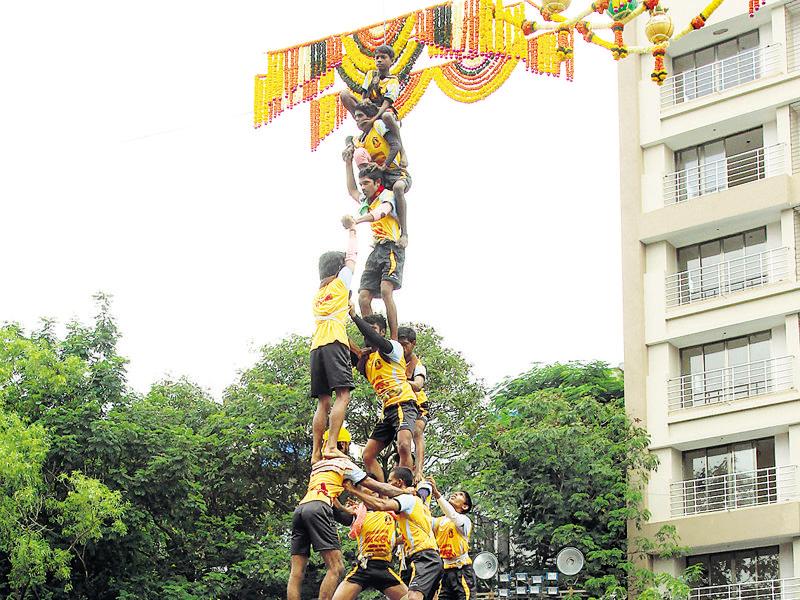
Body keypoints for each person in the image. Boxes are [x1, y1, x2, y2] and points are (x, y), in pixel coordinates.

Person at [287, 428, 411, 600]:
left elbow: (342, 512)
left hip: (302, 507)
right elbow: (380, 488)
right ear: (344, 445)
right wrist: (408, 492)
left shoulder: (318, 464)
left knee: (296, 572)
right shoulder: (345, 464)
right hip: (360, 560)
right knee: (336, 567)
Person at [345, 467, 444, 600]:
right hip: (423, 557)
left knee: (413, 597)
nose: (386, 484)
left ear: (399, 482)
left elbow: (380, 504)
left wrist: (354, 490)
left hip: (424, 556)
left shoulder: (407, 499)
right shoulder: (415, 502)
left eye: (390, 481)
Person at [310, 222, 359, 462]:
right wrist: (352, 230)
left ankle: (316, 452)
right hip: (335, 341)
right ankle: (331, 445)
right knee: (343, 395)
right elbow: (352, 258)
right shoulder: (340, 286)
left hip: (316, 345)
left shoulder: (318, 296)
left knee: (323, 400)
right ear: (337, 271)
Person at [350, 308, 417, 481]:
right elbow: (343, 342)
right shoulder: (366, 361)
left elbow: (376, 340)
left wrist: (355, 316)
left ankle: (404, 489)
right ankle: (382, 493)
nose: (368, 332)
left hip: (403, 402)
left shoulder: (391, 348)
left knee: (403, 445)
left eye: (373, 328)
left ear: (382, 332)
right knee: (367, 455)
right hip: (387, 410)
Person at [343, 159, 404, 341]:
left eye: (366, 183)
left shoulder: (387, 196)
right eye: (362, 183)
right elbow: (352, 190)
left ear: (377, 183)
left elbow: (381, 213)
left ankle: (393, 339)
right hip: (376, 249)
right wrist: (348, 164)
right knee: (363, 297)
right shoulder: (367, 200)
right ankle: (372, 338)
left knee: (386, 290)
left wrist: (356, 220)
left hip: (391, 247)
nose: (363, 187)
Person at [346, 101, 411, 249]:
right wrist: (348, 157)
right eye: (355, 117)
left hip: (395, 173)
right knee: (358, 152)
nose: (357, 120)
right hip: (380, 176)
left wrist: (383, 166)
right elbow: (353, 191)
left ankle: (405, 233)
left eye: (361, 116)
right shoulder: (359, 140)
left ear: (370, 116)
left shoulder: (379, 126)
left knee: (398, 188)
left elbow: (396, 145)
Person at [331, 487, 409, 600]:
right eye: (368, 487)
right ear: (361, 493)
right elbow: (339, 516)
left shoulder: (392, 511)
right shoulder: (358, 514)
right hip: (364, 566)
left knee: (411, 597)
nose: (374, 489)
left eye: (374, 486)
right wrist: (331, 497)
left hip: (384, 568)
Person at [340, 44, 405, 164]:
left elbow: (386, 104)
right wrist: (363, 108)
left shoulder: (393, 81)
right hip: (368, 108)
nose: (379, 60)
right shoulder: (370, 74)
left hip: (382, 110)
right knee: (344, 94)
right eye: (377, 57)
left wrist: (372, 119)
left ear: (391, 60)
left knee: (387, 116)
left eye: (383, 57)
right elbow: (364, 94)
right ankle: (360, 120)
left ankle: (403, 151)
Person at [429, 478, 476, 600]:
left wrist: (437, 494)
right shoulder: (439, 522)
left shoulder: (464, 521)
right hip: (445, 572)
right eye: (456, 492)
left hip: (462, 571)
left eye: (460, 495)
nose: (455, 494)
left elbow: (453, 515)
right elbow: (423, 521)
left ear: (465, 506)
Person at [398, 326, 429, 484]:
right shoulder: (395, 361)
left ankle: (419, 470)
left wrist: (400, 382)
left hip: (417, 404)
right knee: (401, 440)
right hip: (400, 404)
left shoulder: (418, 365)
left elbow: (418, 384)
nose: (402, 348)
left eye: (405, 344)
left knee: (417, 432)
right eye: (399, 344)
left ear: (413, 344)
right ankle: (403, 471)